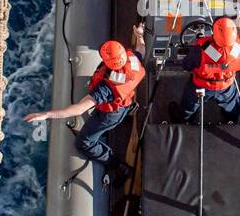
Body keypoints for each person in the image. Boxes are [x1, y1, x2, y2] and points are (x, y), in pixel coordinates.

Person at [24, 25, 147, 171]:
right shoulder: (132, 59)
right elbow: (141, 51)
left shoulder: (106, 88)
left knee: (84, 143)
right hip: (123, 102)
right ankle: (125, 114)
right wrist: (139, 35)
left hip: (110, 114)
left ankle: (118, 166)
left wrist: (46, 115)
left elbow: (79, 109)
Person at [176, 14, 240, 124]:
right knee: (232, 106)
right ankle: (233, 121)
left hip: (200, 86)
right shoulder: (239, 49)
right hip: (226, 87)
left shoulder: (201, 49)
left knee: (189, 106)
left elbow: (187, 65)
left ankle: (183, 119)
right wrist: (239, 27)